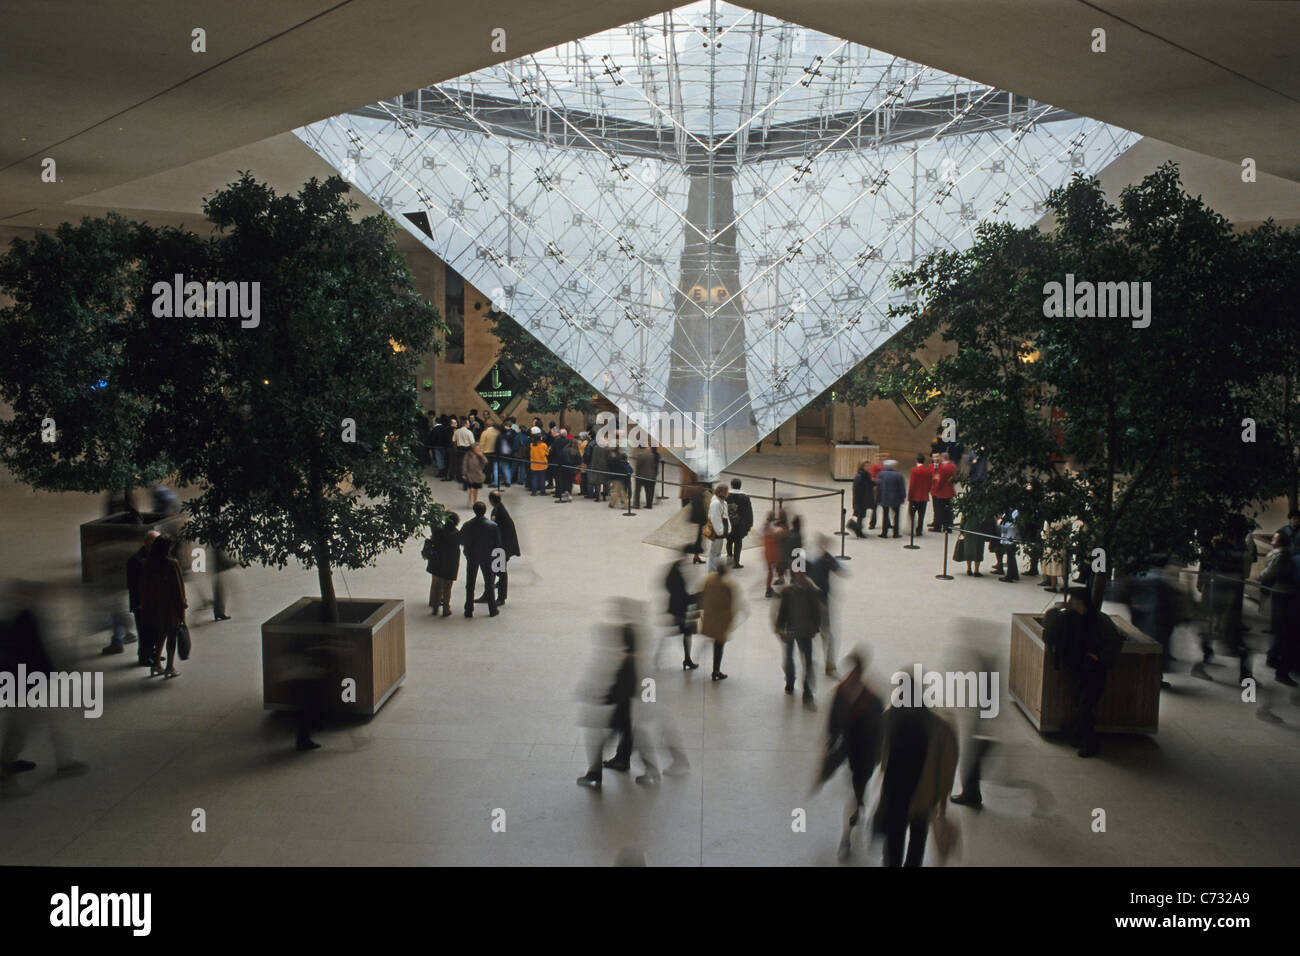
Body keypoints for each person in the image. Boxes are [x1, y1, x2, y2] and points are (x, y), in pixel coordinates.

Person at [873, 684, 958, 866]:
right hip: (918, 800)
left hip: (906, 800)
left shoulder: (894, 719)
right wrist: (942, 803)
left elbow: (881, 754)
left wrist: (942, 803)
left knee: (898, 848)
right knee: (912, 848)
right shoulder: (936, 727)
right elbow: (947, 769)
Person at [815, 647, 883, 861]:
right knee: (855, 786)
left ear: (860, 671)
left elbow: (879, 730)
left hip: (865, 754)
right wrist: (830, 743)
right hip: (849, 748)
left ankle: (847, 836)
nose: (850, 675)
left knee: (857, 790)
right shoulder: (842, 693)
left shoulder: (872, 700)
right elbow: (833, 722)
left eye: (854, 671)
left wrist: (878, 755)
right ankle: (856, 810)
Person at [1044, 587, 1122, 757]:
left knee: (1085, 706)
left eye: (1074, 601)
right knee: (1080, 705)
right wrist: (1056, 609)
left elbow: (1114, 642)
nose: (1072, 603)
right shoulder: (1067, 618)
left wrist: (1099, 657)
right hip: (1074, 668)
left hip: (1093, 670)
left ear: (1082, 602)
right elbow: (1049, 628)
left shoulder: (1099, 620)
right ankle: (1078, 735)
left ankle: (1089, 742)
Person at [139, 535, 187, 678]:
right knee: (172, 636)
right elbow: (178, 588)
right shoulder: (172, 564)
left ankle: (156, 665)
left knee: (160, 635)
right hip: (170, 607)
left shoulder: (148, 563)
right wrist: (182, 607)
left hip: (154, 607)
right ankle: (169, 667)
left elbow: (144, 587)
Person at [775, 571, 820, 708]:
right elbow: (782, 611)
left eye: (803, 575)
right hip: (791, 630)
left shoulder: (812, 591)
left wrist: (815, 628)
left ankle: (807, 692)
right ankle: (790, 680)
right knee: (789, 658)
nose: (801, 577)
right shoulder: (789, 592)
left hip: (805, 632)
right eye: (798, 575)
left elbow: (816, 612)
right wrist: (780, 627)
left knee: (808, 662)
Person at [1259, 532, 1298, 685]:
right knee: (1287, 633)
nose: (1271, 541)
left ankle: (1275, 658)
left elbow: (1270, 572)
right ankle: (1279, 665)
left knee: (1282, 630)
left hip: (1285, 595)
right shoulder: (1287, 556)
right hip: (1287, 596)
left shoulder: (1286, 556)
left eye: (1274, 538)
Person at [808, 535, 844, 678]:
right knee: (827, 634)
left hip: (815, 601)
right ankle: (829, 665)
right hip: (821, 601)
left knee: (820, 635)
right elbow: (840, 570)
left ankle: (823, 664)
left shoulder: (817, 560)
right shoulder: (824, 560)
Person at [698, 563, 741, 682]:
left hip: (710, 617)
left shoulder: (709, 579)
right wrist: (731, 620)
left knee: (715, 643)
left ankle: (715, 669)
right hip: (720, 620)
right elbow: (731, 604)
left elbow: (702, 595)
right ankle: (716, 671)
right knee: (719, 645)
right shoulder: (727, 585)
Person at [459, 501, 501, 618]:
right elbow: (498, 544)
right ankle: (492, 609)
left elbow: (461, 540)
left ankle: (468, 609)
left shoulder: (468, 525)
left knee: (470, 583)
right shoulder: (493, 526)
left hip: (472, 556)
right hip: (487, 556)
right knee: (489, 583)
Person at [127, 530, 161, 665]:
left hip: (152, 601)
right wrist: (140, 602)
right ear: (149, 542)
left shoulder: (154, 556)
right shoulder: (135, 560)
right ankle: (144, 657)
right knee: (144, 631)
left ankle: (151, 653)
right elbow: (133, 584)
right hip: (142, 603)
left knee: (153, 630)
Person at [666, 547, 699, 670]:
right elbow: (677, 590)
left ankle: (687, 659)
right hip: (679, 607)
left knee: (685, 632)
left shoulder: (675, 568)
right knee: (686, 632)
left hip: (678, 606)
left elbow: (668, 584)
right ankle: (687, 659)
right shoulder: (677, 570)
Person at [423, 513, 461, 617]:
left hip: (437, 562)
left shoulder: (438, 531)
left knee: (436, 585)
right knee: (447, 587)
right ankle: (446, 609)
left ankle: (435, 608)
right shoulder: (457, 534)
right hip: (450, 564)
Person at [487, 491, 519, 604]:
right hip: (502, 545)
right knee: (497, 570)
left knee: (500, 571)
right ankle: (493, 591)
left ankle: (501, 597)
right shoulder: (499, 510)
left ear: (491, 500)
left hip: (501, 546)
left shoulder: (499, 513)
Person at [723, 478, 753, 568]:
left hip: (728, 523)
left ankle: (729, 559)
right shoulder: (745, 497)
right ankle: (736, 562)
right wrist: (749, 523)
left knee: (729, 541)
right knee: (738, 542)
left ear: (731, 485)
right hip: (740, 524)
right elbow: (748, 512)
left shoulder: (726, 496)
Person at [875, 460, 906, 539]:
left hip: (884, 497)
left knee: (885, 515)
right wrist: (903, 497)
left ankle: (884, 533)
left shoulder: (881, 474)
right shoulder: (898, 475)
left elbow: (878, 487)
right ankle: (895, 533)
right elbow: (902, 487)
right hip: (896, 498)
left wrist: (878, 498)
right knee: (896, 516)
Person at [929, 452, 957, 532]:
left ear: (943, 458)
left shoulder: (943, 467)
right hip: (950, 491)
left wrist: (936, 488)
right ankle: (948, 527)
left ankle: (937, 527)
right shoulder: (953, 466)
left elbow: (940, 480)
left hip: (942, 492)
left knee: (939, 510)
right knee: (949, 511)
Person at [763, 509, 788, 597]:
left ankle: (769, 588)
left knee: (771, 571)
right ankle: (768, 590)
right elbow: (780, 532)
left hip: (768, 552)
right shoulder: (775, 528)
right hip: (772, 553)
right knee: (771, 571)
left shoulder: (766, 526)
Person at [705, 484, 730, 572]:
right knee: (714, 552)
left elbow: (725, 516)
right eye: (726, 491)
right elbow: (715, 518)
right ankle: (712, 571)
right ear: (722, 492)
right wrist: (720, 531)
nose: (728, 493)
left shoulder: (723, 502)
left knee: (717, 552)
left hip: (721, 530)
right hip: (717, 531)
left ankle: (715, 570)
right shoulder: (716, 503)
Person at [907, 454, 932, 537]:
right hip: (924, 496)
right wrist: (926, 492)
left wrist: (910, 496)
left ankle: (911, 529)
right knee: (921, 515)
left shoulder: (914, 470)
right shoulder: (928, 471)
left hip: (914, 496)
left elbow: (912, 484)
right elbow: (929, 484)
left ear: (916, 460)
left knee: (912, 513)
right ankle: (919, 530)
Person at [848, 460, 873, 538]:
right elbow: (856, 490)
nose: (868, 467)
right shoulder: (859, 476)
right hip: (860, 501)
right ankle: (859, 532)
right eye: (866, 466)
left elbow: (869, 485)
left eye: (869, 466)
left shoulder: (867, 475)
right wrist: (856, 503)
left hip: (865, 499)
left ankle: (859, 531)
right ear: (862, 466)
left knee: (862, 516)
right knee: (860, 516)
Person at [686, 482, 708, 564]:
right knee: (699, 539)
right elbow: (700, 508)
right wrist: (705, 519)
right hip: (699, 519)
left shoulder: (693, 490)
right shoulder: (698, 492)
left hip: (695, 518)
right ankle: (696, 556)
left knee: (698, 539)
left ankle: (696, 556)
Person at [461, 442, 487, 508]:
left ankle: (475, 502)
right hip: (470, 474)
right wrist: (464, 473)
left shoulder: (480, 455)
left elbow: (485, 462)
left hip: (478, 475)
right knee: (471, 489)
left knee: (475, 489)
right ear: (473, 449)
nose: (478, 449)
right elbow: (464, 464)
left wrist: (481, 456)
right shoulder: (468, 455)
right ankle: (470, 501)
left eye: (479, 448)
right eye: (477, 448)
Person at [633, 443, 658, 510]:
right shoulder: (651, 455)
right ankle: (649, 504)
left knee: (637, 491)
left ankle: (637, 504)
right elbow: (653, 465)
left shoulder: (640, 456)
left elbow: (638, 467)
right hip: (649, 475)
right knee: (648, 491)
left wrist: (637, 475)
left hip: (640, 476)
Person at [997, 510, 1020, 582]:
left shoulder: (1015, 513)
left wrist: (1000, 523)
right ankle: (1014, 575)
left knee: (1010, 558)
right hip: (1008, 538)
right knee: (1011, 557)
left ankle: (1009, 576)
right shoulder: (1008, 513)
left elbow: (1011, 525)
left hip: (1010, 539)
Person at [431, 415, 453, 480]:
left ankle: (441, 471)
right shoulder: (447, 428)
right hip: (445, 446)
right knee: (444, 459)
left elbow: (433, 438)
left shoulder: (436, 428)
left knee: (439, 458)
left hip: (437, 445)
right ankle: (445, 471)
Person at [527, 428, 549, 495]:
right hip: (542, 464)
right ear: (540, 438)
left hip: (534, 464)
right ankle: (542, 491)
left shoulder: (531, 445)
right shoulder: (544, 445)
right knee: (542, 478)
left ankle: (534, 492)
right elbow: (547, 453)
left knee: (534, 478)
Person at [866, 456, 884, 530]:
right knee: (875, 507)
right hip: (876, 490)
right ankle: (872, 523)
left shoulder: (883, 467)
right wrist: (879, 481)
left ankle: (887, 523)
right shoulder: (874, 467)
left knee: (884, 508)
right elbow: (871, 478)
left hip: (881, 490)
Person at [480, 420, 500, 487]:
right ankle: (495, 479)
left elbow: (481, 444)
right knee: (495, 467)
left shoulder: (485, 433)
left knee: (487, 467)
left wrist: (481, 451)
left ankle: (487, 480)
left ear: (486, 425)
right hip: (495, 452)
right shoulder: (497, 432)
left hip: (487, 452)